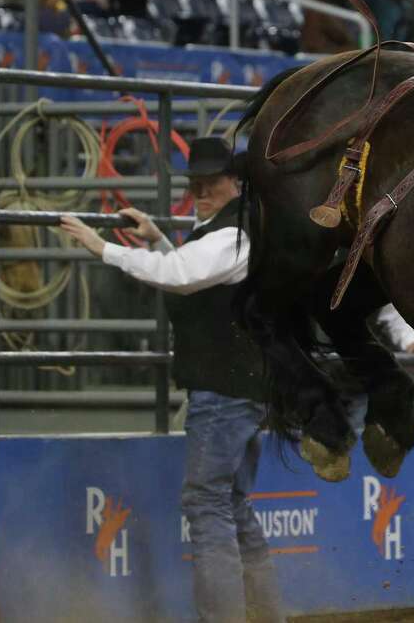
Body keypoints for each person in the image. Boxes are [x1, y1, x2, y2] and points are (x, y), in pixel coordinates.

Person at [59, 138, 285, 623]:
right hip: (242, 388)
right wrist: (160, 238)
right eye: (195, 181)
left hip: (224, 391)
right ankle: (266, 616)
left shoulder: (232, 236)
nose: (200, 188)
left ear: (237, 183)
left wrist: (104, 248)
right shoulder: (239, 232)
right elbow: (189, 276)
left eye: (211, 180)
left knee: (208, 505)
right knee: (231, 505)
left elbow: (181, 276)